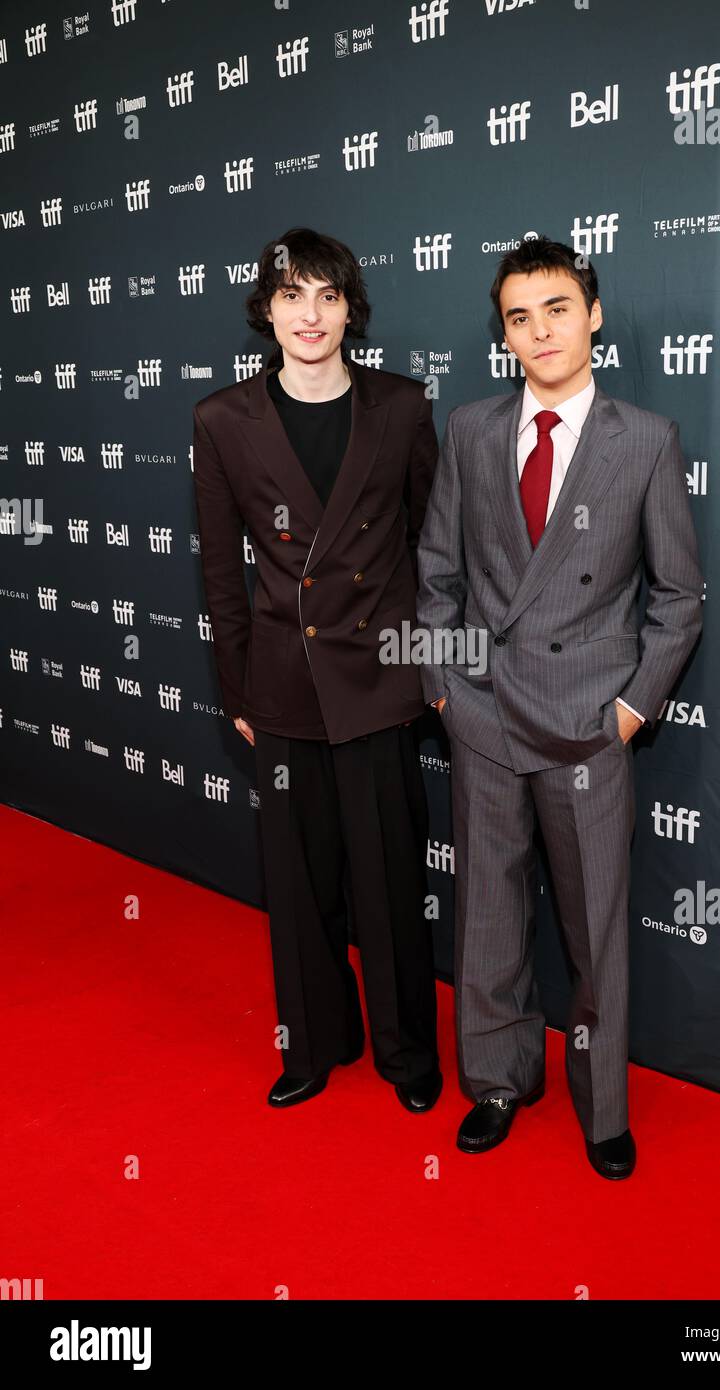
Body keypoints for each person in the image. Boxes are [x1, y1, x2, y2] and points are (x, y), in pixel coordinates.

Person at [416, 235, 703, 1177]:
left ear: (594, 315)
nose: (540, 332)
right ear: (503, 334)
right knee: (488, 915)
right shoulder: (468, 429)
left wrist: (628, 714)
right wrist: (443, 689)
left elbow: (679, 598)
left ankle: (603, 1107)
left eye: (557, 309)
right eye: (518, 318)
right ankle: (497, 1081)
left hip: (589, 726)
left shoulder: (646, 440)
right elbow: (437, 575)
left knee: (596, 929)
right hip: (487, 718)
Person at [192, 227, 442, 1113]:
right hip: (286, 684)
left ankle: (410, 1055)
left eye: (328, 295)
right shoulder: (223, 420)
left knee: (389, 882)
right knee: (299, 891)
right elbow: (223, 572)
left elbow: (430, 553)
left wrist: (431, 673)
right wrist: (240, 689)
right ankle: (314, 1046)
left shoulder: (403, 407)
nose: (310, 313)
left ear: (350, 310)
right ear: (266, 309)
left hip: (379, 679)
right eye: (292, 295)